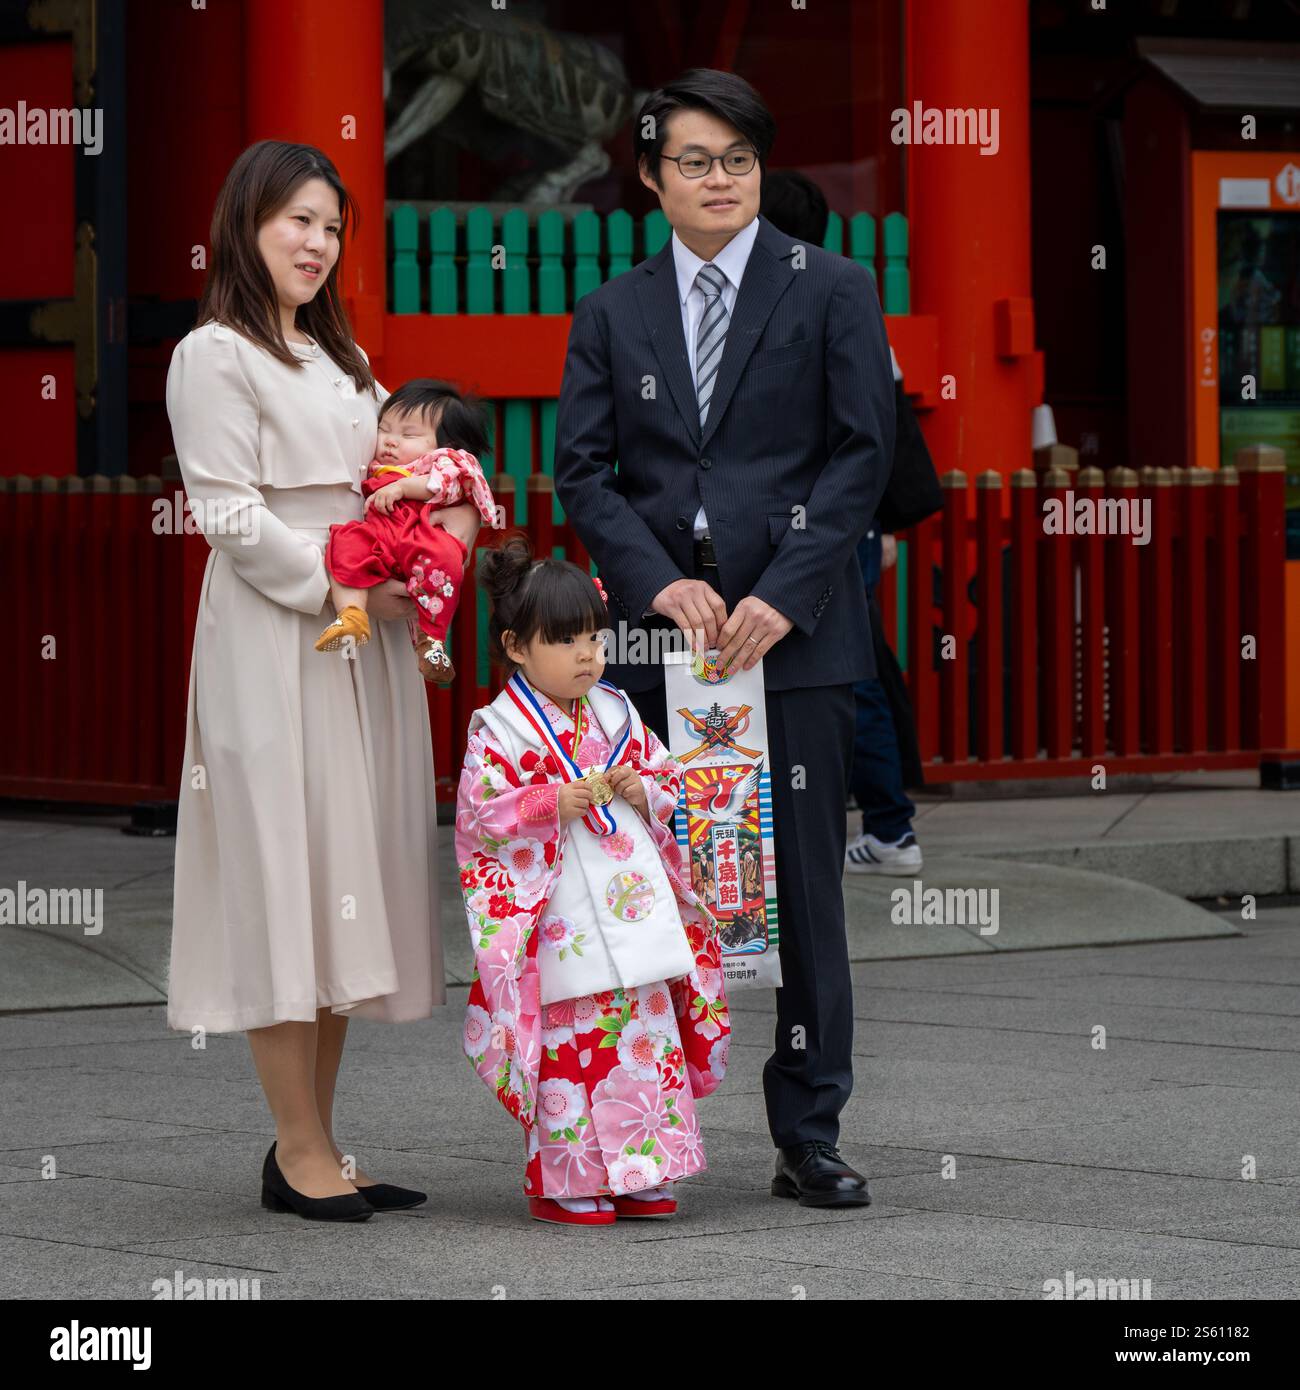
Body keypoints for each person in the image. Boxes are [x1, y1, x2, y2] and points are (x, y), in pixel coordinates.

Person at [555, 70, 895, 1207]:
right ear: (650, 177)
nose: (719, 179)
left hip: (789, 634)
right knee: (637, 880)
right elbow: (583, 473)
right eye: (694, 161)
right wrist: (652, 583)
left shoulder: (832, 288)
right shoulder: (612, 311)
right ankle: (638, 1123)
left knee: (799, 889)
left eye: (737, 159)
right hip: (659, 642)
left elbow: (863, 454)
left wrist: (789, 589)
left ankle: (810, 1128)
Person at [165, 139, 482, 1221]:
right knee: (282, 874)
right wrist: (341, 591)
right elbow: (230, 512)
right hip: (278, 628)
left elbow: (406, 474)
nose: (315, 242)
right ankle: (296, 1146)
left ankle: (318, 1141)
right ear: (245, 225)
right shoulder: (214, 353)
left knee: (346, 875)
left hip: (367, 630)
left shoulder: (346, 360)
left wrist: (436, 547)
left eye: (331, 226)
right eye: (295, 219)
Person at [456, 536, 730, 1226]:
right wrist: (550, 803)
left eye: (593, 638)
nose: (587, 655)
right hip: (560, 916)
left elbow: (667, 777)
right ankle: (566, 1177)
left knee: (643, 1030)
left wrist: (644, 788)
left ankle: (646, 1171)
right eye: (565, 640)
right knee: (573, 1042)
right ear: (516, 646)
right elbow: (480, 815)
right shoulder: (498, 729)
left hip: (629, 902)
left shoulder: (616, 711)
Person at [316, 380, 498, 683]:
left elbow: (445, 484)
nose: (390, 440)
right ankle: (351, 614)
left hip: (421, 535)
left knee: (443, 561)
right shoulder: (377, 466)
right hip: (380, 536)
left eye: (408, 434)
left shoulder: (447, 461)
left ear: (446, 443)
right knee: (346, 541)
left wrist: (402, 486)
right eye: (384, 429)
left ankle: (433, 640)